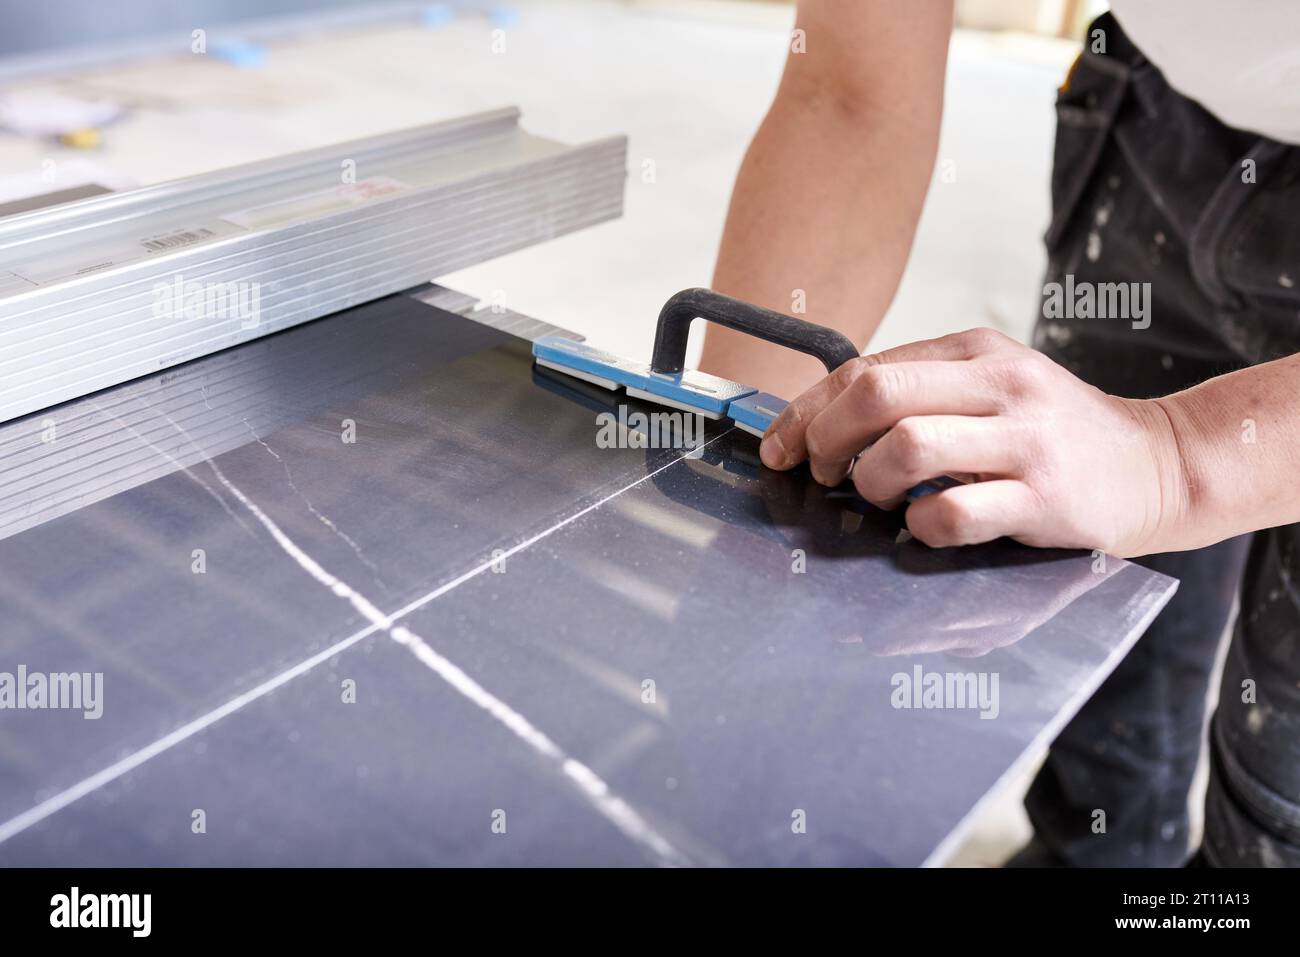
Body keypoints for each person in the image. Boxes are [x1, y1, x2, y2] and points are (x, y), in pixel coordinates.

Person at [699, 1, 1300, 867]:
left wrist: (1173, 459)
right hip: (1159, 114)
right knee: (1092, 647)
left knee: (1273, 812)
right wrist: (736, 462)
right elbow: (851, 94)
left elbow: (1172, 465)